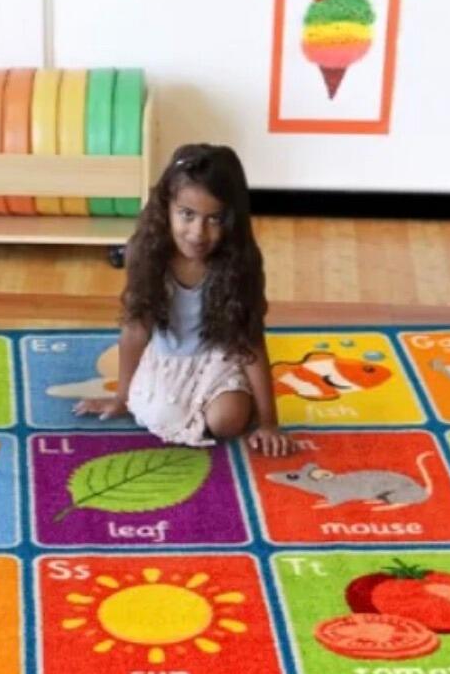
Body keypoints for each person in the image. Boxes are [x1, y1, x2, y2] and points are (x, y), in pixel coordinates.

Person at [73, 143, 297, 456]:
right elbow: (135, 330)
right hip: (167, 360)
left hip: (219, 358)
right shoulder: (146, 252)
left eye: (214, 219)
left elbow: (250, 341)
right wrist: (122, 397)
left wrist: (270, 422)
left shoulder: (239, 261)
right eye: (187, 215)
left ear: (231, 220)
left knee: (227, 422)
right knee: (160, 415)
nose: (198, 233)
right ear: (166, 207)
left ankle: (236, 400)